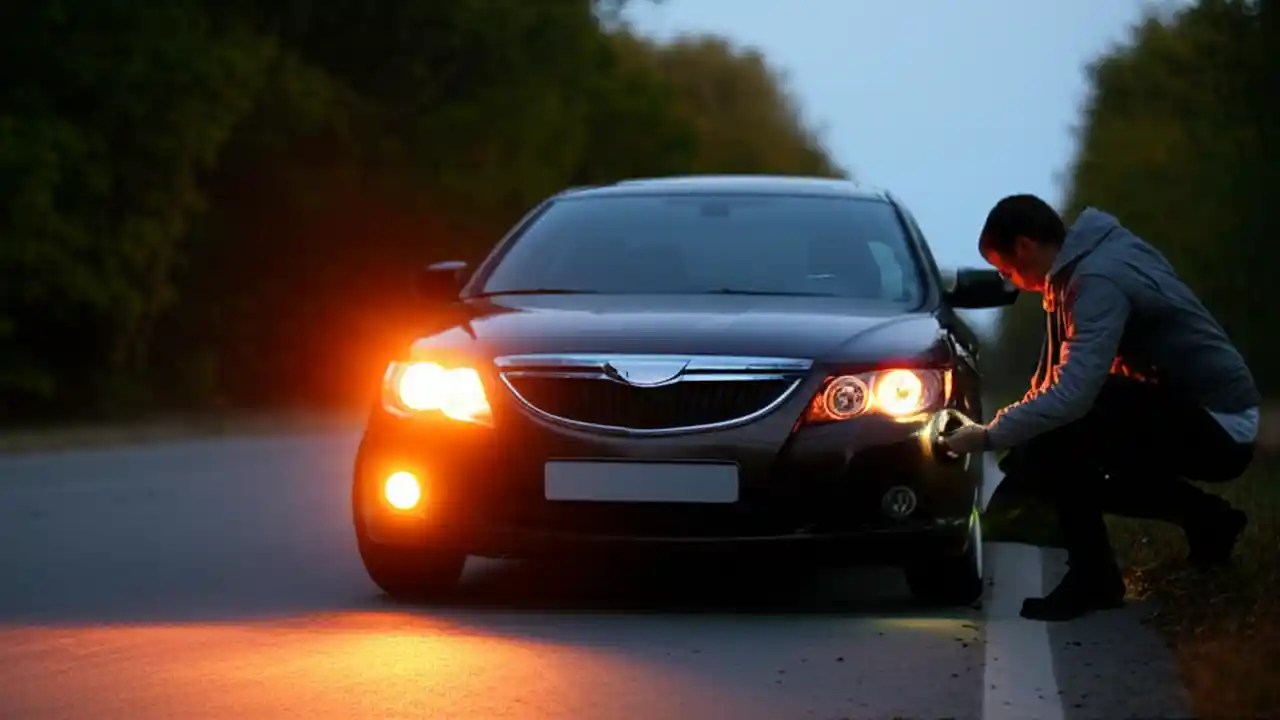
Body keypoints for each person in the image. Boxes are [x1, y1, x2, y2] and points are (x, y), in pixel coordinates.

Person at [943, 195, 1261, 621]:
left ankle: (1093, 578)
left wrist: (985, 437)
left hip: (1221, 425)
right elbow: (1053, 382)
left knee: (1062, 438)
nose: (1012, 281)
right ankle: (1209, 520)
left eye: (1007, 269)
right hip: (1187, 410)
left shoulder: (1097, 280)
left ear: (1024, 247)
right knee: (1040, 456)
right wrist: (1010, 440)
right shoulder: (1080, 268)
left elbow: (1072, 396)